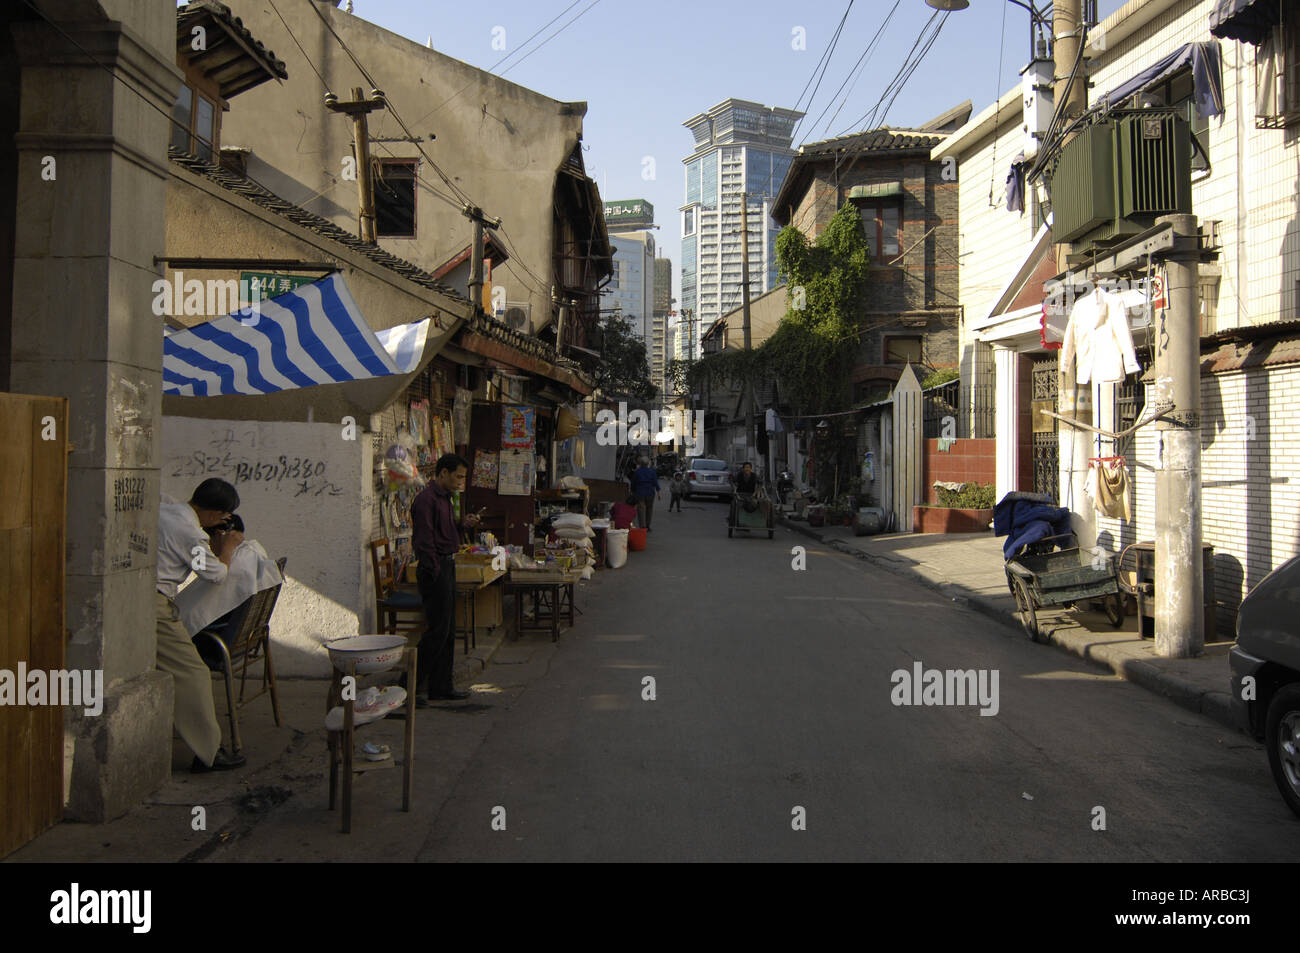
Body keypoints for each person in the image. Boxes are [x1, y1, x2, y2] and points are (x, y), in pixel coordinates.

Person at [156, 478, 245, 772]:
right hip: (154, 605)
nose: (221, 523)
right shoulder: (190, 533)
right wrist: (227, 548)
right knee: (194, 673)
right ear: (212, 513)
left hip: (140, 595)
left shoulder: (167, 509)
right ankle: (208, 753)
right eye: (222, 517)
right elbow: (217, 574)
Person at [410, 453, 481, 704]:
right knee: (437, 632)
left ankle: (441, 686)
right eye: (458, 476)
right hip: (435, 569)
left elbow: (446, 533)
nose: (461, 481)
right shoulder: (426, 501)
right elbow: (424, 542)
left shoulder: (445, 500)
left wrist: (463, 526)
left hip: (447, 565)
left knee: (448, 630)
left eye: (463, 477)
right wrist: (435, 570)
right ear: (443, 473)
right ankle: (406, 688)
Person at [174, 514, 283, 667]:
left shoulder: (235, 566)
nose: (209, 547)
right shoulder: (253, 552)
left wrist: (226, 551)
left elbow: (190, 614)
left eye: (208, 540)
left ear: (220, 535)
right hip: (238, 641)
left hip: (214, 644)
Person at [630, 456, 661, 531]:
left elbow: (633, 483)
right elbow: (655, 483)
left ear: (640, 463)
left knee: (641, 509)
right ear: (648, 463)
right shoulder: (652, 472)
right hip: (650, 492)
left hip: (640, 493)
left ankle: (642, 526)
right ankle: (648, 525)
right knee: (649, 509)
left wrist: (632, 491)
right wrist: (659, 493)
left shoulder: (637, 472)